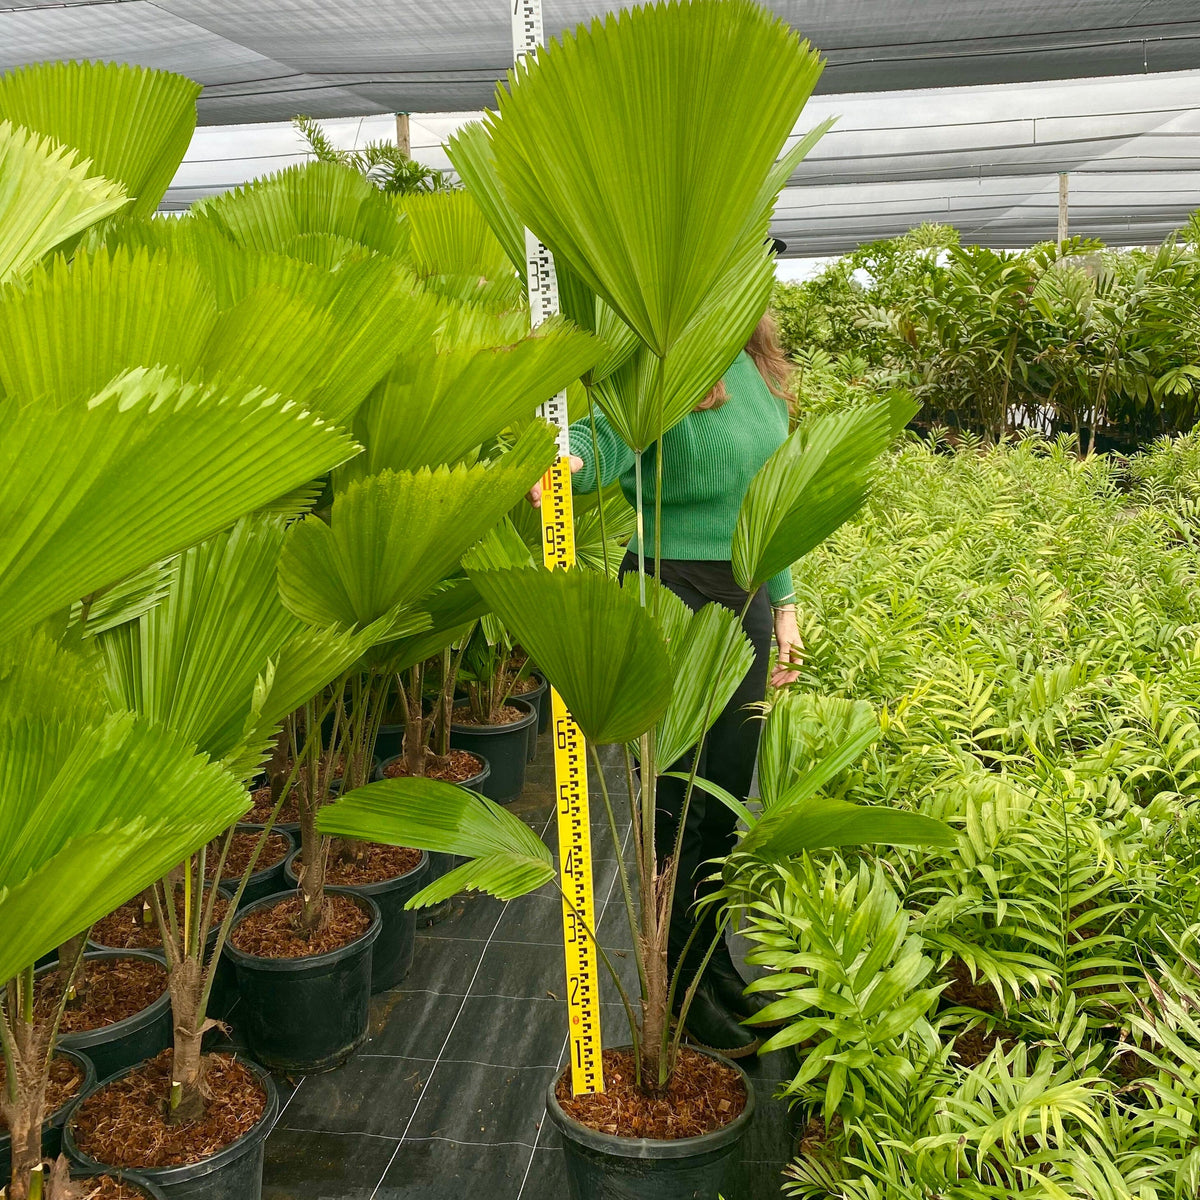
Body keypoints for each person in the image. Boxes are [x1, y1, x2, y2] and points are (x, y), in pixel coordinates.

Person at [529, 313, 802, 1056]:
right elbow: (603, 439)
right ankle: (677, 980)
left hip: (745, 589)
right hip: (667, 587)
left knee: (726, 792)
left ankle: (712, 962)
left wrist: (784, 603)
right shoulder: (658, 352)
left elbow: (768, 498)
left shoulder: (755, 363)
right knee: (677, 800)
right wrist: (563, 459)